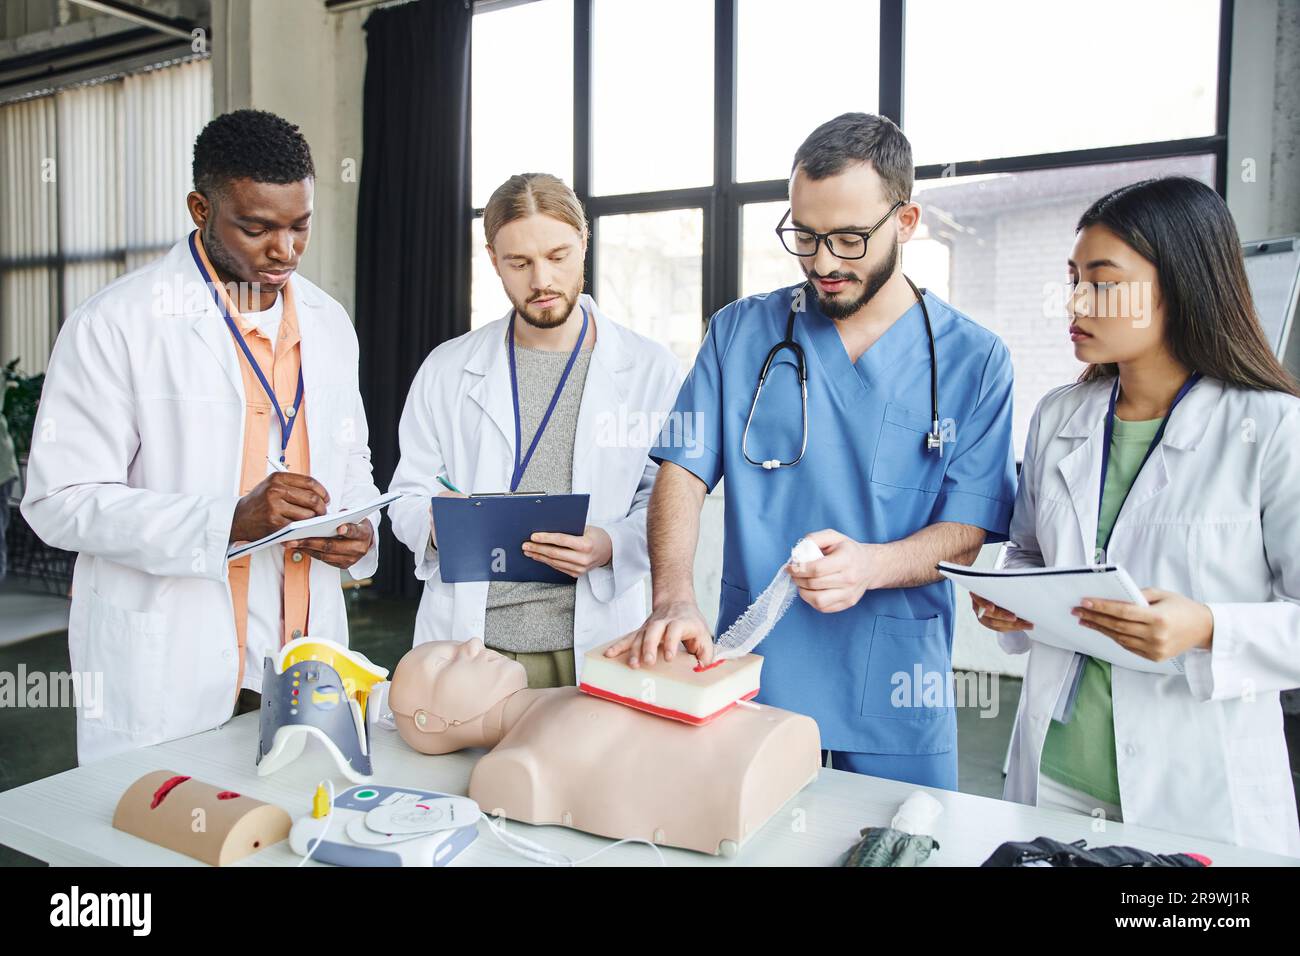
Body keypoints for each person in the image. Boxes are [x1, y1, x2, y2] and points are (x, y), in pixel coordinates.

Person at [609, 113, 1017, 789]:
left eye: (850, 240)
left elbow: (968, 529)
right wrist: (673, 596)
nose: (824, 262)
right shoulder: (740, 333)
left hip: (895, 692)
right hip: (754, 677)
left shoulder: (975, 361)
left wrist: (873, 565)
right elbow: (680, 473)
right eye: (805, 235)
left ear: (907, 221)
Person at [21, 110, 380, 763]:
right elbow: (57, 502)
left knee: (289, 839)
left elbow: (350, 460)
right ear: (199, 208)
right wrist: (230, 521)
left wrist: (358, 533)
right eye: (256, 228)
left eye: (300, 226)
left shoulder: (329, 324)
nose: (285, 251)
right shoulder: (118, 324)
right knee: (162, 839)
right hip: (174, 661)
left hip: (300, 654)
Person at [973, 176, 1300, 854]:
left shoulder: (1271, 428)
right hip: (1056, 772)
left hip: (1196, 787)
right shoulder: (1060, 416)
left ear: (1180, 286)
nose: (1074, 302)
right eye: (1072, 279)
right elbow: (1028, 551)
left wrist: (1207, 628)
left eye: (1101, 281)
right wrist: (1012, 599)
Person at [387, 173, 682, 687]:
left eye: (558, 256)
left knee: (588, 766)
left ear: (584, 244)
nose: (541, 280)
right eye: (518, 263)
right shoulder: (448, 368)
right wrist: (439, 524)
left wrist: (610, 544)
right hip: (473, 645)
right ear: (492, 259)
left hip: (594, 640)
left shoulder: (650, 369)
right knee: (463, 770)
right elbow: (407, 493)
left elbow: (666, 496)